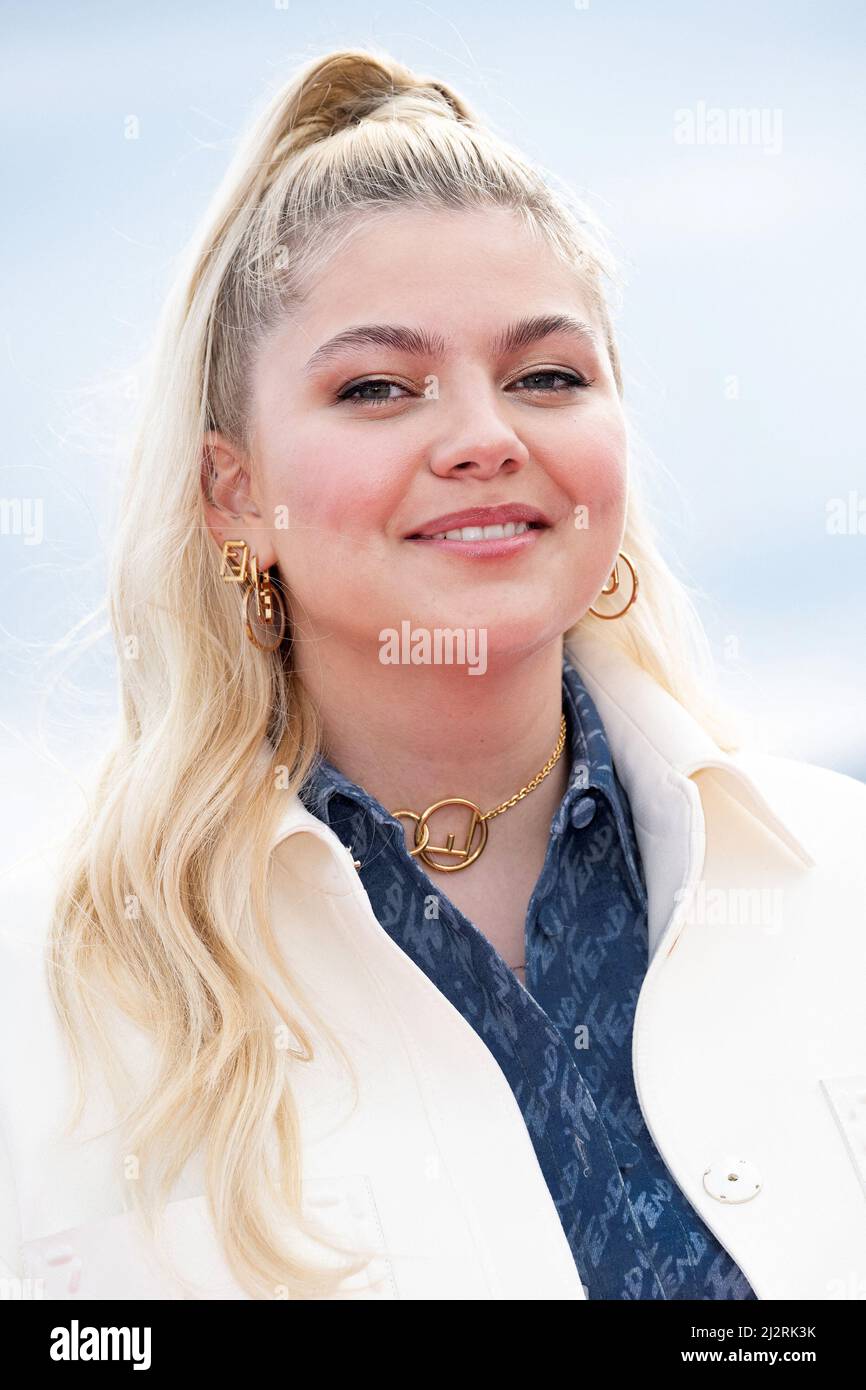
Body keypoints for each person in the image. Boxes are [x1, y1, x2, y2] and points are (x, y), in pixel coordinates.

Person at [2, 46, 865, 1303]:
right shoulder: (50, 997)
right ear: (232, 497)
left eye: (546, 376)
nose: (482, 437)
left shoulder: (841, 882)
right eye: (376, 387)